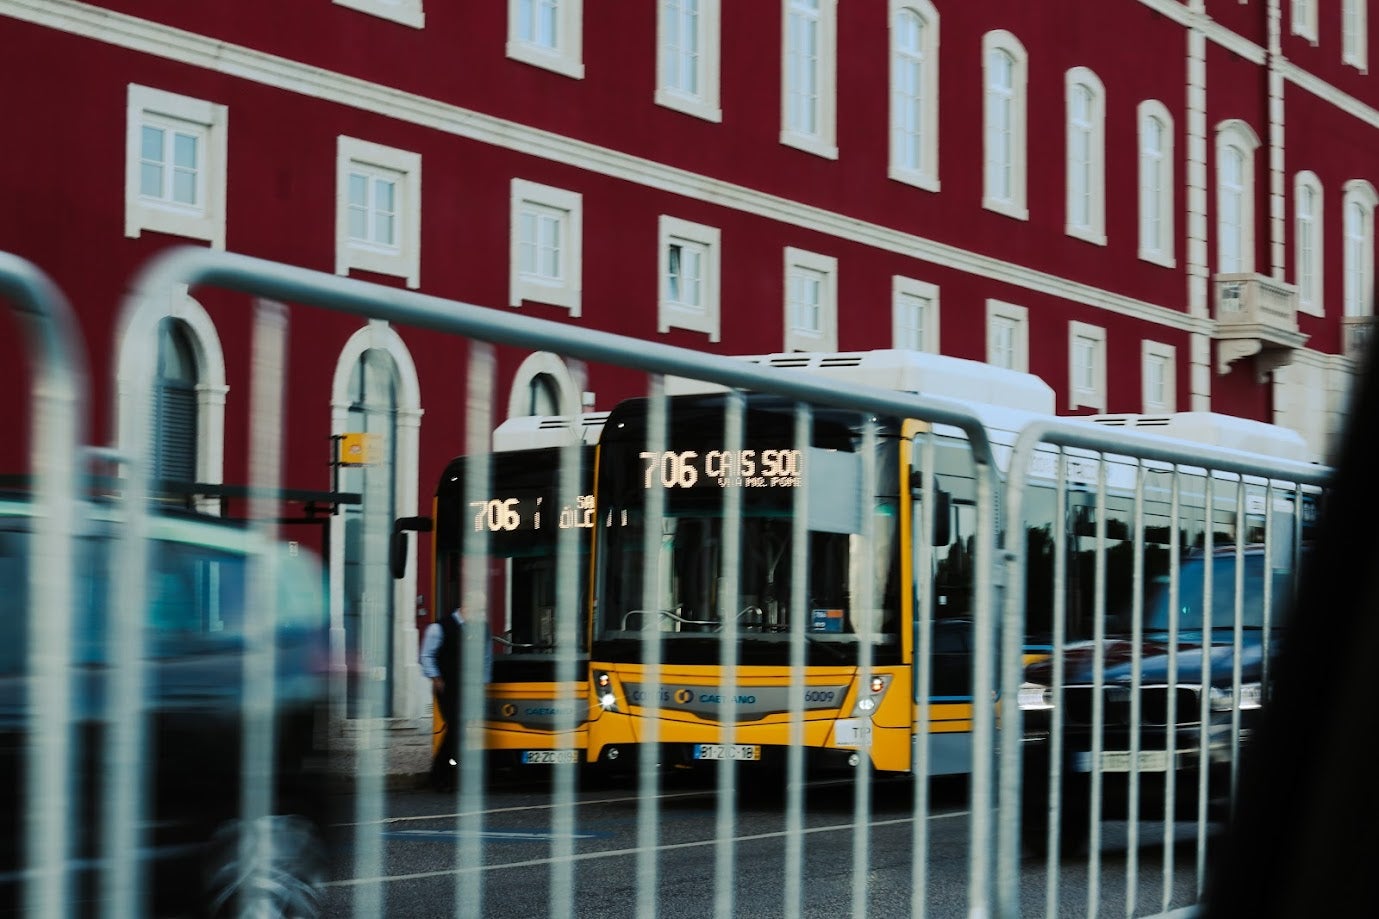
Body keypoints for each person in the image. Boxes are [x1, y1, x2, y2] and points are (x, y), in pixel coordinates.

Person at [419, 597, 492, 791]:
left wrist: (483, 682)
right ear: (465, 607)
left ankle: (448, 775)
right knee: (457, 728)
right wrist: (437, 679)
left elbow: (486, 656)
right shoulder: (440, 628)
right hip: (449, 687)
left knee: (461, 731)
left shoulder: (482, 628)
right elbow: (426, 655)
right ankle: (441, 776)